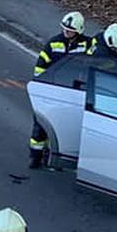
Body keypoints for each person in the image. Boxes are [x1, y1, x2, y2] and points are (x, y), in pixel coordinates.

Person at [29, 11, 88, 168]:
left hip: (74, 92)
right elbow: (40, 68)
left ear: (79, 31)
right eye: (64, 29)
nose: (65, 32)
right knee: (41, 126)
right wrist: (43, 87)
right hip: (53, 90)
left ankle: (58, 155)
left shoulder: (86, 44)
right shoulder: (53, 44)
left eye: (69, 30)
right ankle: (35, 156)